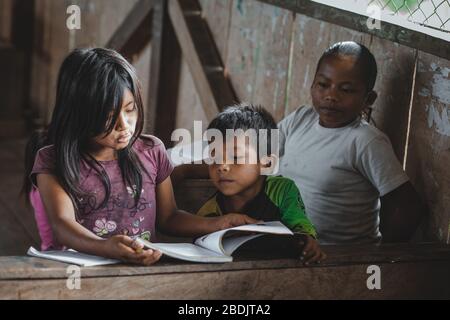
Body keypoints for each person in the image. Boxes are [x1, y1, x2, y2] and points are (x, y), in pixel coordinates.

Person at [22, 48, 257, 265]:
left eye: (130, 109)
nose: (124, 125)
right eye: (108, 115)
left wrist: (220, 223)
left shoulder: (152, 151)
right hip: (82, 274)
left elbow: (169, 217)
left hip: (141, 271)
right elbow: (63, 226)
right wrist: (105, 247)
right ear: (79, 113)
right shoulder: (52, 160)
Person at [278, 41, 423, 244]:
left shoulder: (365, 141)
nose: (331, 96)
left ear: (368, 99)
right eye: (323, 85)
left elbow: (408, 206)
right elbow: (258, 152)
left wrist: (383, 258)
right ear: (312, 85)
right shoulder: (300, 119)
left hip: (335, 258)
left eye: (346, 90)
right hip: (287, 243)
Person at [196, 104, 326, 264]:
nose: (222, 166)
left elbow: (301, 227)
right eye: (214, 158)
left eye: (236, 157)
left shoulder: (282, 191)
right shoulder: (211, 210)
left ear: (266, 163)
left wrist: (308, 241)